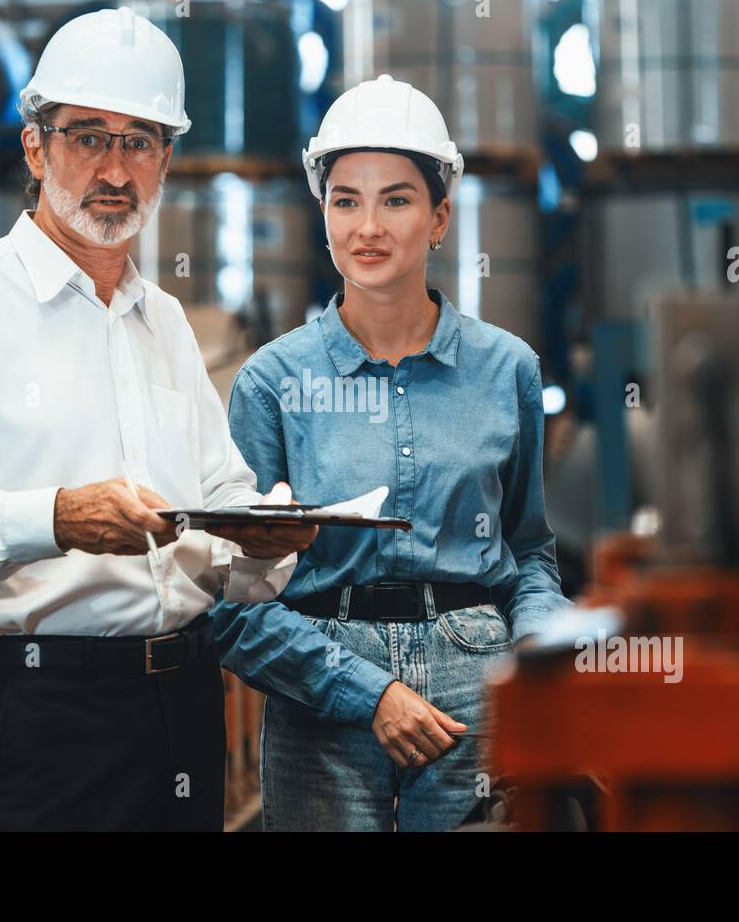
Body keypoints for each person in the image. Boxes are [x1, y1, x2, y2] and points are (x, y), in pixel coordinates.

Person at [0, 7, 319, 831]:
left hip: (183, 700)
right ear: (35, 146)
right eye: (87, 135)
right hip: (48, 716)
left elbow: (220, 505)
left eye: (139, 141)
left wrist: (264, 542)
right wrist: (54, 518)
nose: (115, 167)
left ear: (166, 160)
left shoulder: (164, 321)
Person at [212, 75, 574, 831]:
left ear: (440, 218)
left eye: (397, 199)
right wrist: (365, 692)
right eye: (346, 199)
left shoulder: (506, 369)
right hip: (322, 701)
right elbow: (235, 604)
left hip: (476, 693)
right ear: (323, 215)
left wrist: (536, 651)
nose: (368, 226)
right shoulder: (272, 382)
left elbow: (530, 550)